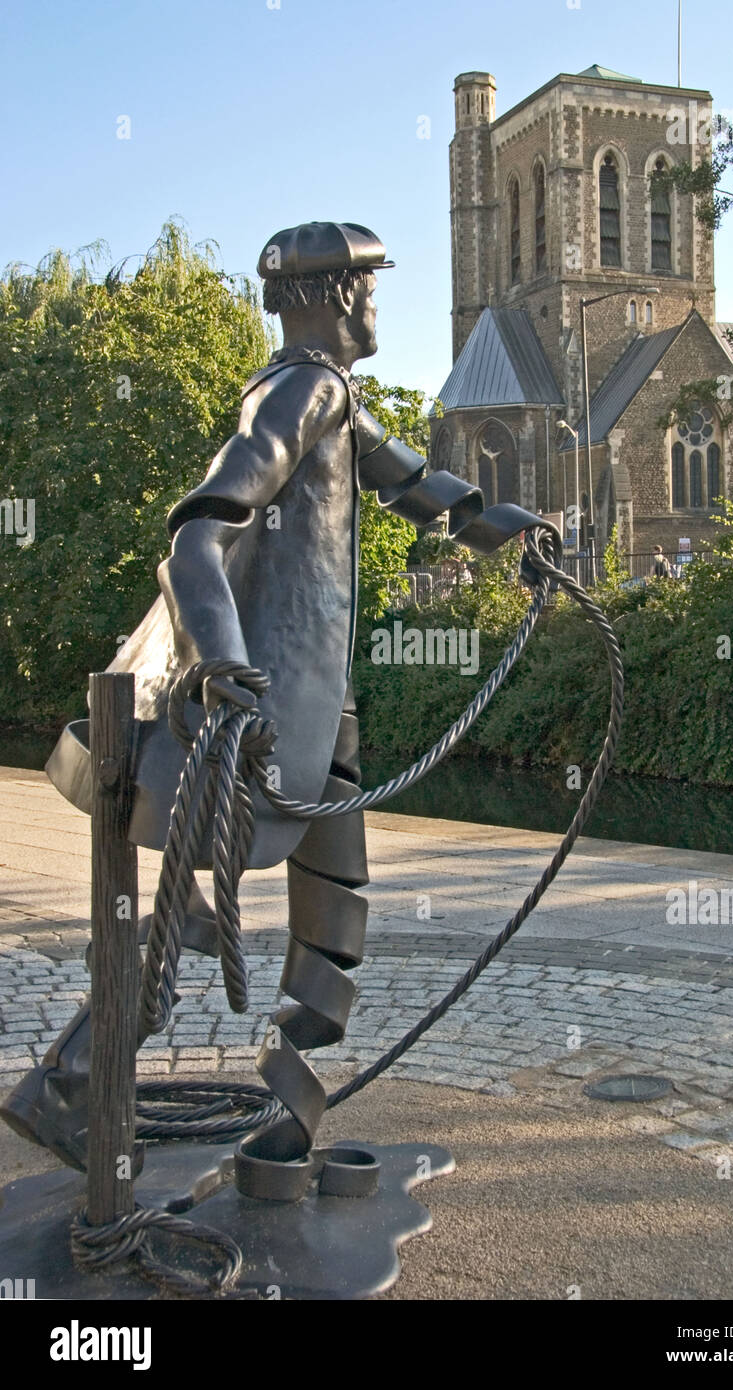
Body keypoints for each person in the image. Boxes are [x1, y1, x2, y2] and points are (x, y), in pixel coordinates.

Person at [1, 221, 557, 1173]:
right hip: (248, 705)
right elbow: (195, 537)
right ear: (337, 296)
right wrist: (222, 667)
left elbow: (421, 487)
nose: (379, 302)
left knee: (335, 919)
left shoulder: (331, 397)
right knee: (190, 910)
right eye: (371, 287)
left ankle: (284, 1130)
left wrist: (512, 530)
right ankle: (66, 1085)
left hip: (311, 702)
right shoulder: (303, 388)